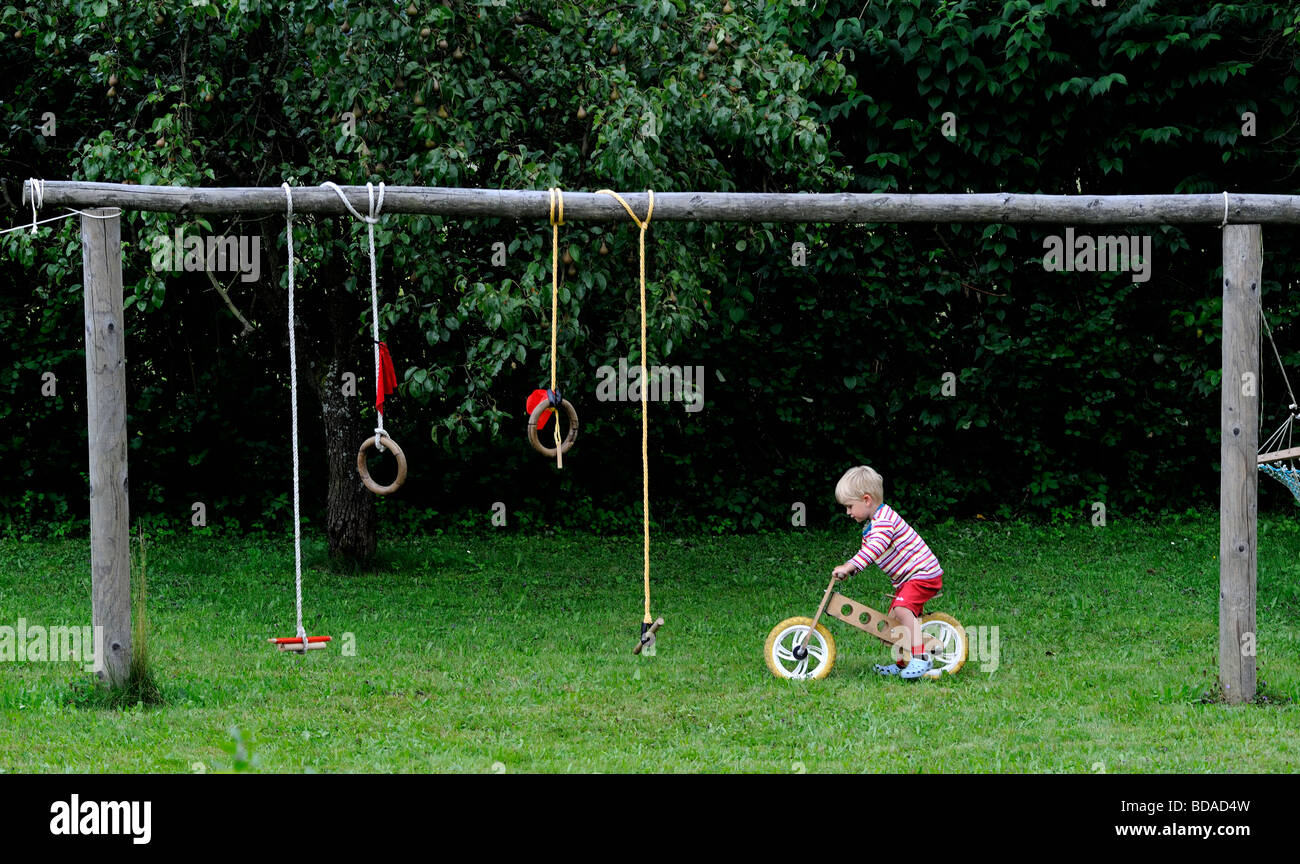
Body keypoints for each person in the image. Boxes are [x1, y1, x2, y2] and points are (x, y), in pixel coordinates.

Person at [831, 465, 943, 679]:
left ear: (866, 500)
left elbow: (873, 550)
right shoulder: (875, 523)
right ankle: (902, 665)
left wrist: (849, 566)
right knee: (893, 626)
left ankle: (921, 659)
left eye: (849, 506)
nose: (848, 512)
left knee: (902, 610)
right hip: (908, 579)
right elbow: (868, 550)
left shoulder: (884, 521)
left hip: (923, 574)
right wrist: (851, 568)